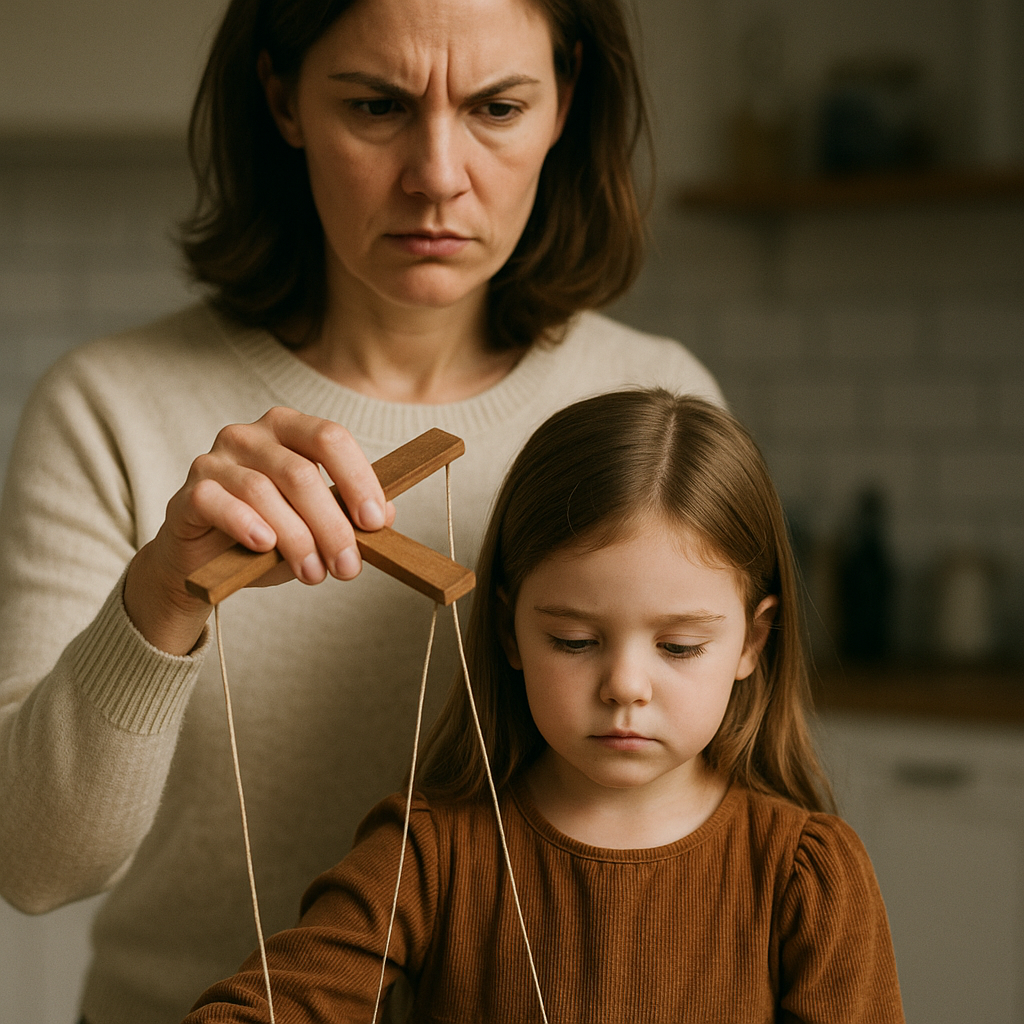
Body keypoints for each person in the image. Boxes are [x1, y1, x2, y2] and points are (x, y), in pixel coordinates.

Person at [0, 0, 724, 1021]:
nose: (436, 174)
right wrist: (160, 595)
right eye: (377, 105)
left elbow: (713, 830)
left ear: (565, 100)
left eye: (496, 106)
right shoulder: (109, 408)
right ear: (281, 98)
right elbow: (33, 867)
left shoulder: (656, 414)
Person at [182, 390, 905, 1023]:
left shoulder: (807, 876)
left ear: (753, 642)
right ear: (510, 632)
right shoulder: (432, 853)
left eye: (679, 647)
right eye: (574, 639)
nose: (625, 685)